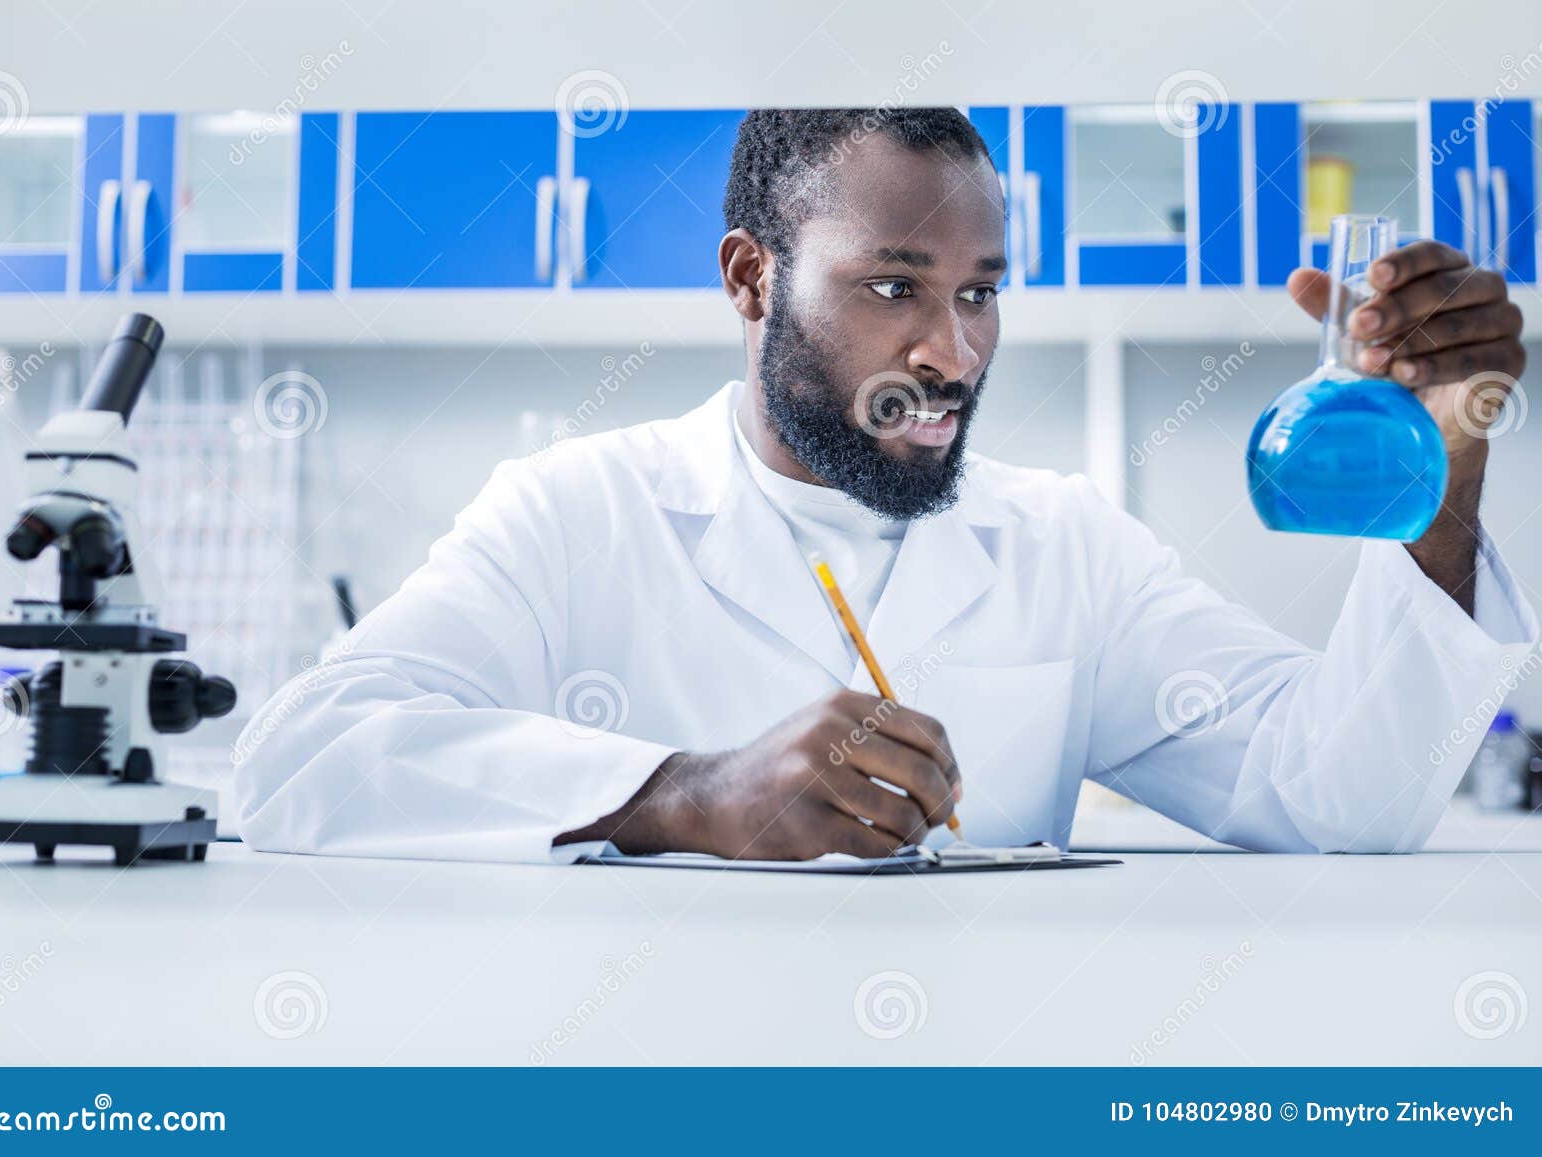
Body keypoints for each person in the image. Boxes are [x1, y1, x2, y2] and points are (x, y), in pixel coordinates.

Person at [233, 108, 1536, 862]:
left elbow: (1339, 798)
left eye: (980, 292)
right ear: (751, 277)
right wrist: (683, 794)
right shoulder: (577, 511)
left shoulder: (1063, 543)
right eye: (895, 284)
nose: (952, 350)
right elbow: (296, 761)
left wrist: (1449, 458)